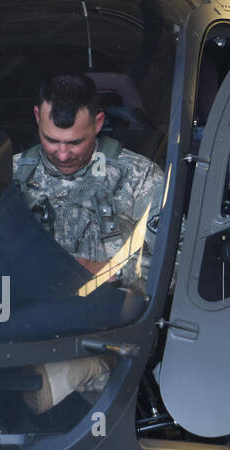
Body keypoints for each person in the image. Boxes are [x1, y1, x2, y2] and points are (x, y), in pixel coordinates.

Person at [13, 73, 167, 414]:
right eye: (52, 141)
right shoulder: (12, 178)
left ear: (98, 123)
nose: (63, 154)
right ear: (37, 117)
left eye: (75, 142)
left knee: (42, 387)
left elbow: (178, 259)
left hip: (109, 333)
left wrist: (107, 272)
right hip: (26, 329)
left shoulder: (138, 178)